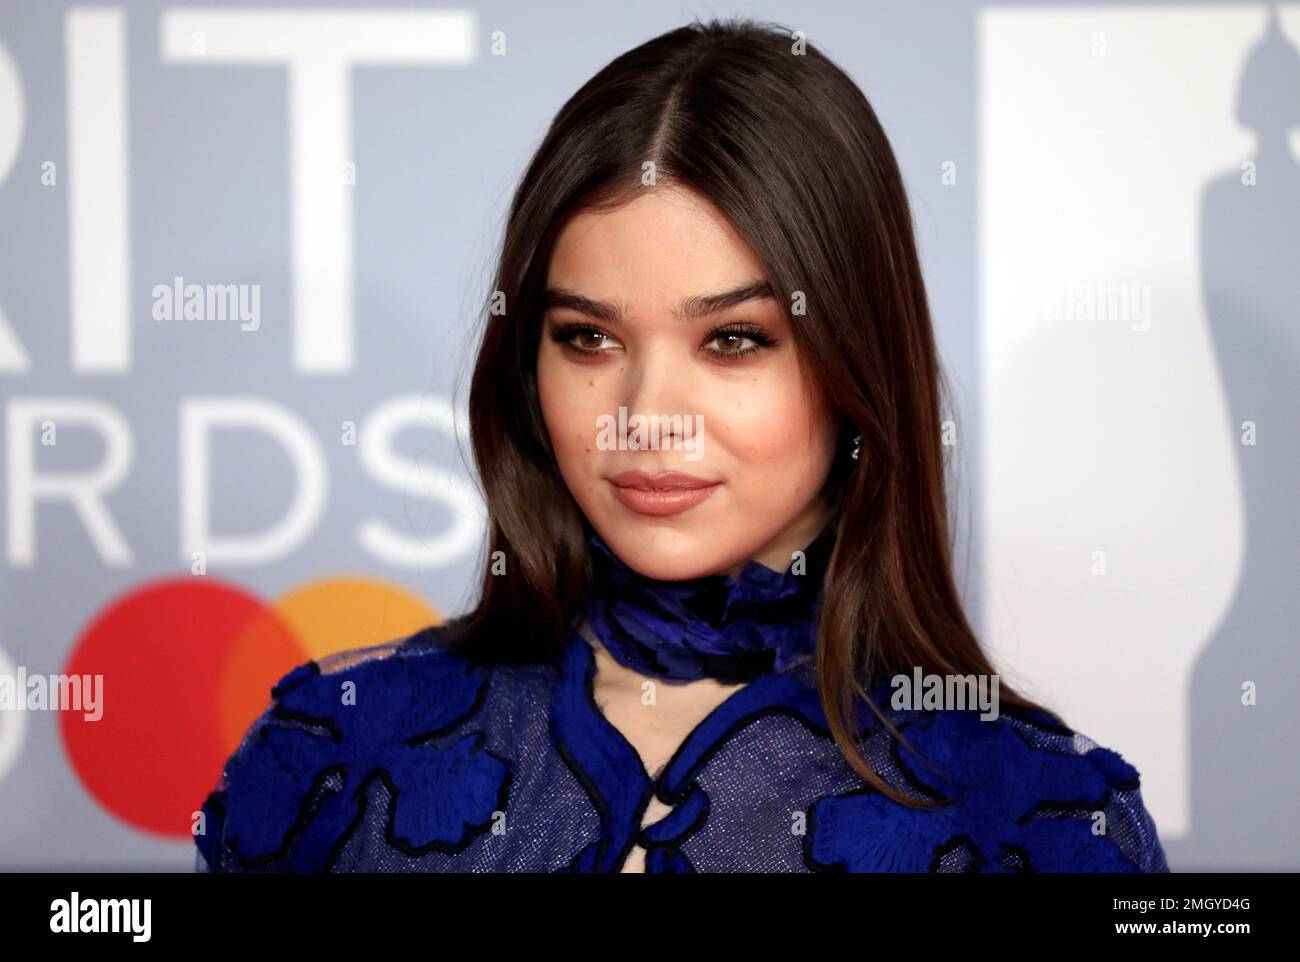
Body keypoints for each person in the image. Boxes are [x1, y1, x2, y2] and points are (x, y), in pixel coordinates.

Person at [194, 17, 1168, 873]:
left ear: (854, 360)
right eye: (589, 336)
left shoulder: (1045, 819)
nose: (645, 413)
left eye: (732, 339)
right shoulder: (331, 750)